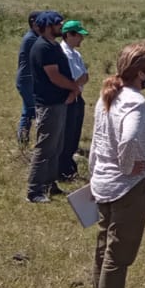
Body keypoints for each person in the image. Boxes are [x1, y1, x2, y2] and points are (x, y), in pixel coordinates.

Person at [88, 41, 145, 288]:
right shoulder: (135, 102)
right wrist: (129, 165)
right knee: (118, 255)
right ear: (141, 72)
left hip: (103, 182)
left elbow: (96, 140)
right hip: (128, 187)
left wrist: (96, 172)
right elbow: (129, 139)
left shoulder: (108, 95)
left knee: (103, 249)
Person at [26, 12, 81, 202]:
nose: (61, 26)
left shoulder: (53, 45)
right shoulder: (43, 47)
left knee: (56, 148)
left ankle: (50, 185)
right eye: (58, 24)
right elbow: (54, 76)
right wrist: (73, 87)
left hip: (59, 102)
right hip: (49, 104)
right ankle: (34, 190)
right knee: (45, 147)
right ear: (49, 26)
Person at [56, 19, 91, 182]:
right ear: (69, 35)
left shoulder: (76, 54)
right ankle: (63, 169)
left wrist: (79, 81)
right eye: (79, 35)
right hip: (69, 97)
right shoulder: (63, 53)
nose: (81, 38)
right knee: (67, 134)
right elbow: (76, 78)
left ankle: (68, 166)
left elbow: (85, 77)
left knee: (75, 133)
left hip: (77, 96)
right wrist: (77, 83)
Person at [14, 9, 52, 145]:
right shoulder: (32, 39)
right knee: (33, 110)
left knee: (28, 110)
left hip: (27, 79)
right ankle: (35, 140)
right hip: (27, 79)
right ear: (34, 24)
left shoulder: (33, 37)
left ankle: (23, 139)